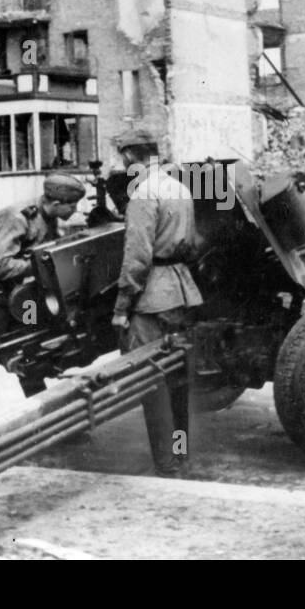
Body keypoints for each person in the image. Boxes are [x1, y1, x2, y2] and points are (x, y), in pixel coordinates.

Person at [0, 173, 86, 423]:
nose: (75, 210)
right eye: (72, 205)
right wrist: (41, 264)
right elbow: (2, 266)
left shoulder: (47, 217)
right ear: (56, 203)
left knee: (30, 352)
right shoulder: (19, 218)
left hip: (14, 294)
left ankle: (48, 421)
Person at [109, 129, 202, 477]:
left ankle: (166, 463)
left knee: (151, 380)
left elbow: (136, 259)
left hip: (152, 297)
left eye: (123, 158)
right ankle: (182, 455)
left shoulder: (143, 194)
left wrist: (120, 309)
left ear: (131, 157)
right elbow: (191, 244)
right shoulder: (179, 188)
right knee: (178, 378)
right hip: (182, 291)